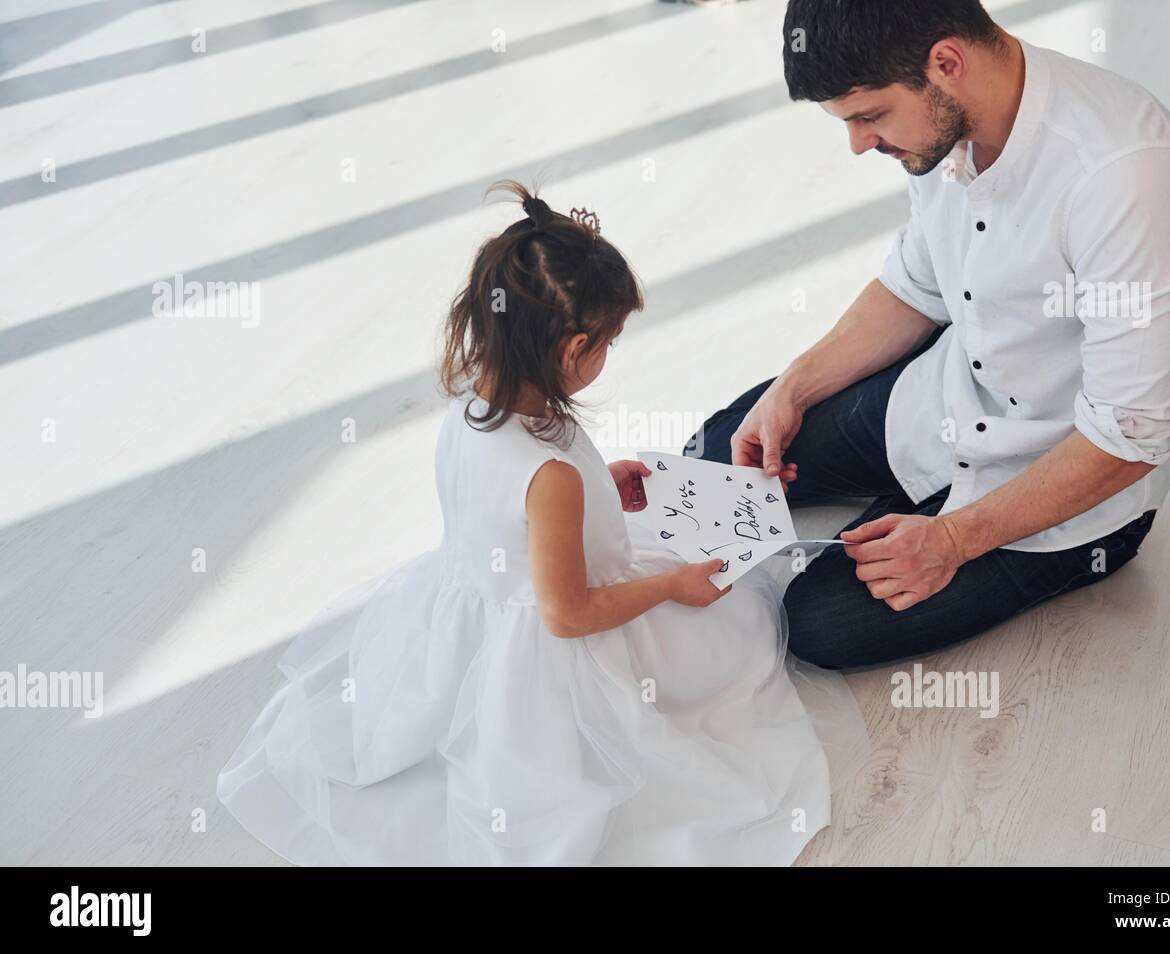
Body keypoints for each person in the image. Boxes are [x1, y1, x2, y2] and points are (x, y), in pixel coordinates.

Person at [217, 181, 867, 866]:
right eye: (608, 342)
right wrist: (672, 585)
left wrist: (599, 492)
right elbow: (569, 614)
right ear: (574, 348)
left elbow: (503, 521)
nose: (609, 354)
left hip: (479, 612)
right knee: (736, 647)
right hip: (560, 648)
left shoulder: (475, 405)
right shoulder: (548, 476)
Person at [688, 0, 1170, 668]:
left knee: (816, 623)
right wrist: (796, 387)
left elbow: (1133, 434)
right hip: (940, 400)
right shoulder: (941, 133)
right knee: (713, 457)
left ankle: (917, 518)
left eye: (869, 115)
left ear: (946, 63)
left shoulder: (1130, 177)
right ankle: (898, 502)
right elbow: (916, 288)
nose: (857, 144)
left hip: (1063, 485)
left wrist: (951, 539)